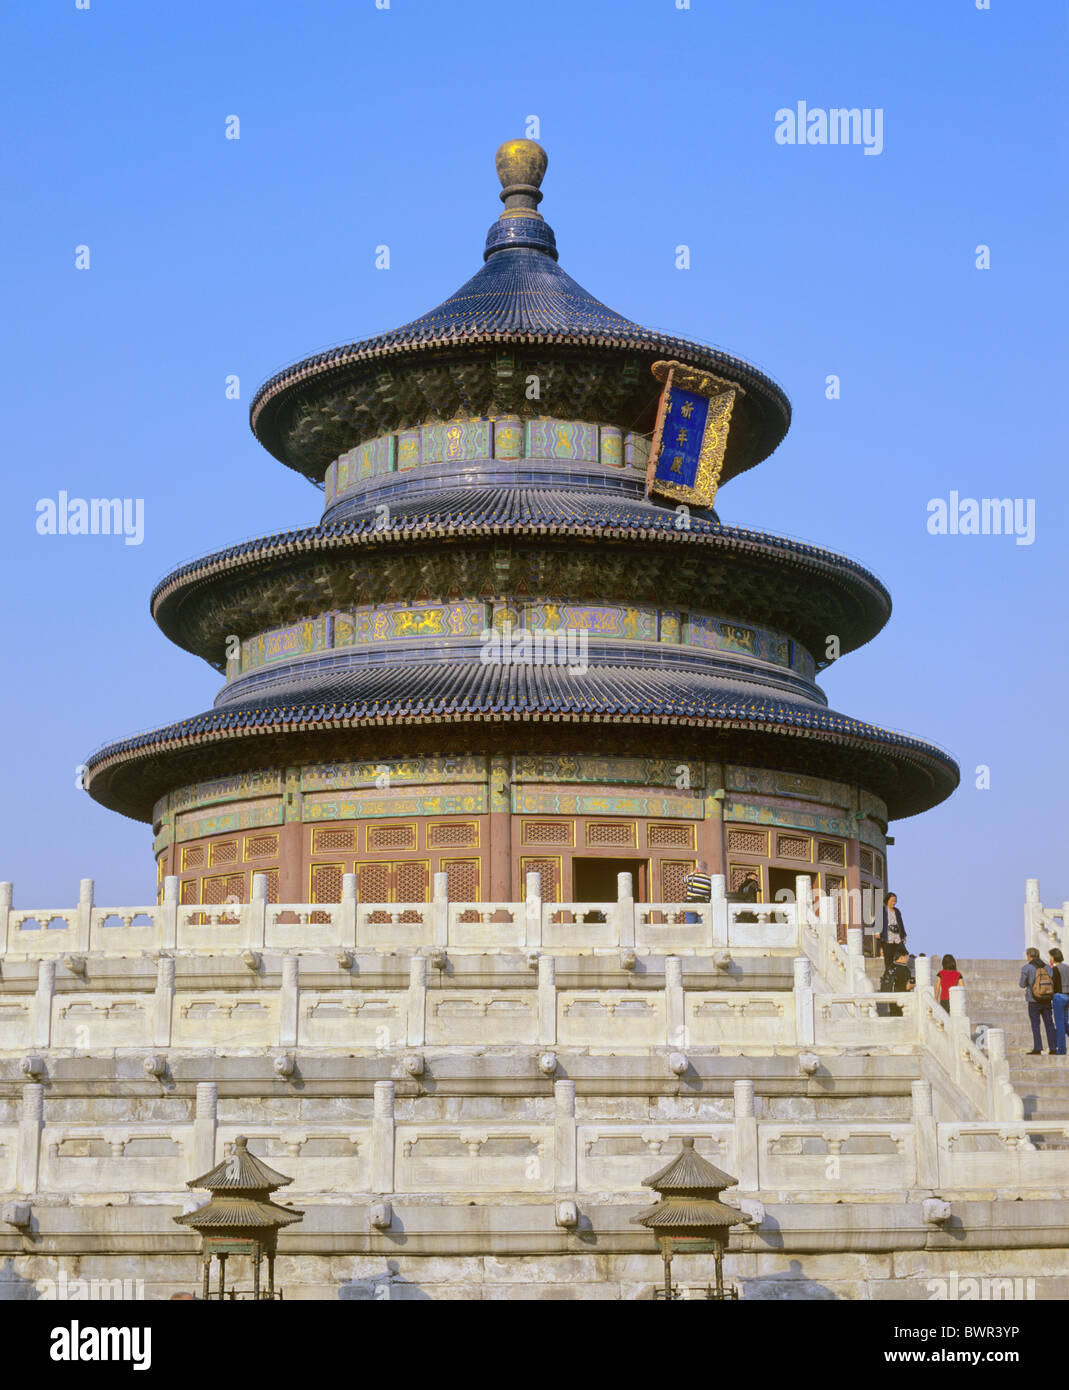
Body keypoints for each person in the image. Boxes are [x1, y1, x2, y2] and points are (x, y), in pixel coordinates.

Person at [1020, 947, 1057, 1055]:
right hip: (1046, 999)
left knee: (1035, 1024)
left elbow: (1022, 984)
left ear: (1029, 956)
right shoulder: (1047, 967)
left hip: (1033, 1000)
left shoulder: (1026, 968)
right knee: (1049, 1024)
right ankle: (1053, 1048)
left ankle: (1038, 1048)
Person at [879, 892, 906, 972]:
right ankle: (888, 974)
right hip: (887, 937)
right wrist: (877, 932)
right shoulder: (882, 910)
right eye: (892, 900)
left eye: (895, 901)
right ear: (887, 900)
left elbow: (901, 923)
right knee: (888, 957)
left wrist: (903, 935)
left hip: (897, 937)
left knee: (901, 955)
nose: (894, 903)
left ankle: (898, 972)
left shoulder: (897, 911)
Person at [883, 948, 914, 1017]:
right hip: (901, 998)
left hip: (891, 997)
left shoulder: (890, 967)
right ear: (901, 957)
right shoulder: (903, 969)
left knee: (894, 1016)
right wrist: (914, 984)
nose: (908, 958)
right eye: (907, 956)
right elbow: (907, 987)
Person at [1050, 948, 1069, 1056]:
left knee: (1060, 1025)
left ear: (1053, 957)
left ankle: (1061, 1050)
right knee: (1065, 1023)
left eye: (1050, 956)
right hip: (1068, 997)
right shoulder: (1067, 967)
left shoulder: (1055, 969)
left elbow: (1053, 984)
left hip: (1059, 997)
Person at [682, 860, 712, 924]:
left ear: (697, 868)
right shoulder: (709, 880)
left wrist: (693, 872)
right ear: (706, 869)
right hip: (703, 906)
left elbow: (684, 880)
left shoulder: (692, 877)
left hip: (691, 905)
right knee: (701, 927)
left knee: (690, 927)